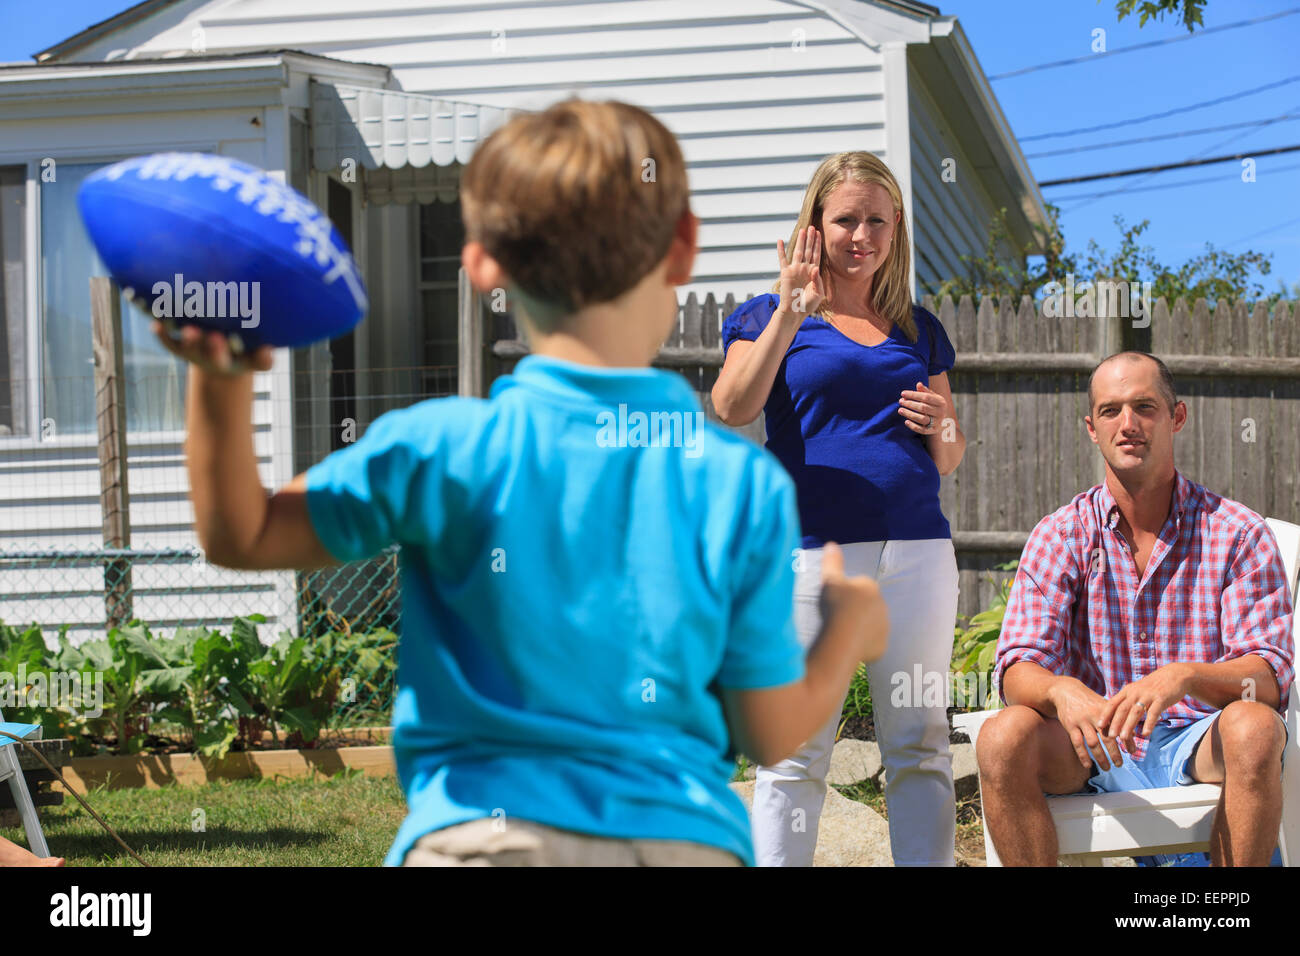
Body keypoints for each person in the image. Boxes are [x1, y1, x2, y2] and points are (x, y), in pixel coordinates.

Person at [153, 98, 888, 866]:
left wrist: (220, 375)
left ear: (483, 265)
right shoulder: (741, 483)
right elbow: (768, 731)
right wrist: (844, 630)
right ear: (681, 248)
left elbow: (243, 533)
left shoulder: (442, 448)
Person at [712, 151, 966, 867]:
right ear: (814, 225)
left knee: (921, 742)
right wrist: (791, 313)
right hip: (813, 554)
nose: (862, 235)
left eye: (876, 221)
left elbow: (950, 453)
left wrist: (937, 420)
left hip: (918, 553)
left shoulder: (917, 328)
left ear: (896, 230)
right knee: (795, 750)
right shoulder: (767, 316)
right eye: (846, 219)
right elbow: (732, 408)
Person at [977, 351, 1294, 866]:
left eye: (1144, 406)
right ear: (1091, 428)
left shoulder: (1237, 532)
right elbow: (1016, 666)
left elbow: (1268, 678)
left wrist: (1184, 677)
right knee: (1002, 736)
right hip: (1092, 749)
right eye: (1110, 411)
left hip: (1200, 743)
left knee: (1255, 729)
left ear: (1177, 417)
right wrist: (1062, 690)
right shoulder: (1061, 534)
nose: (1128, 424)